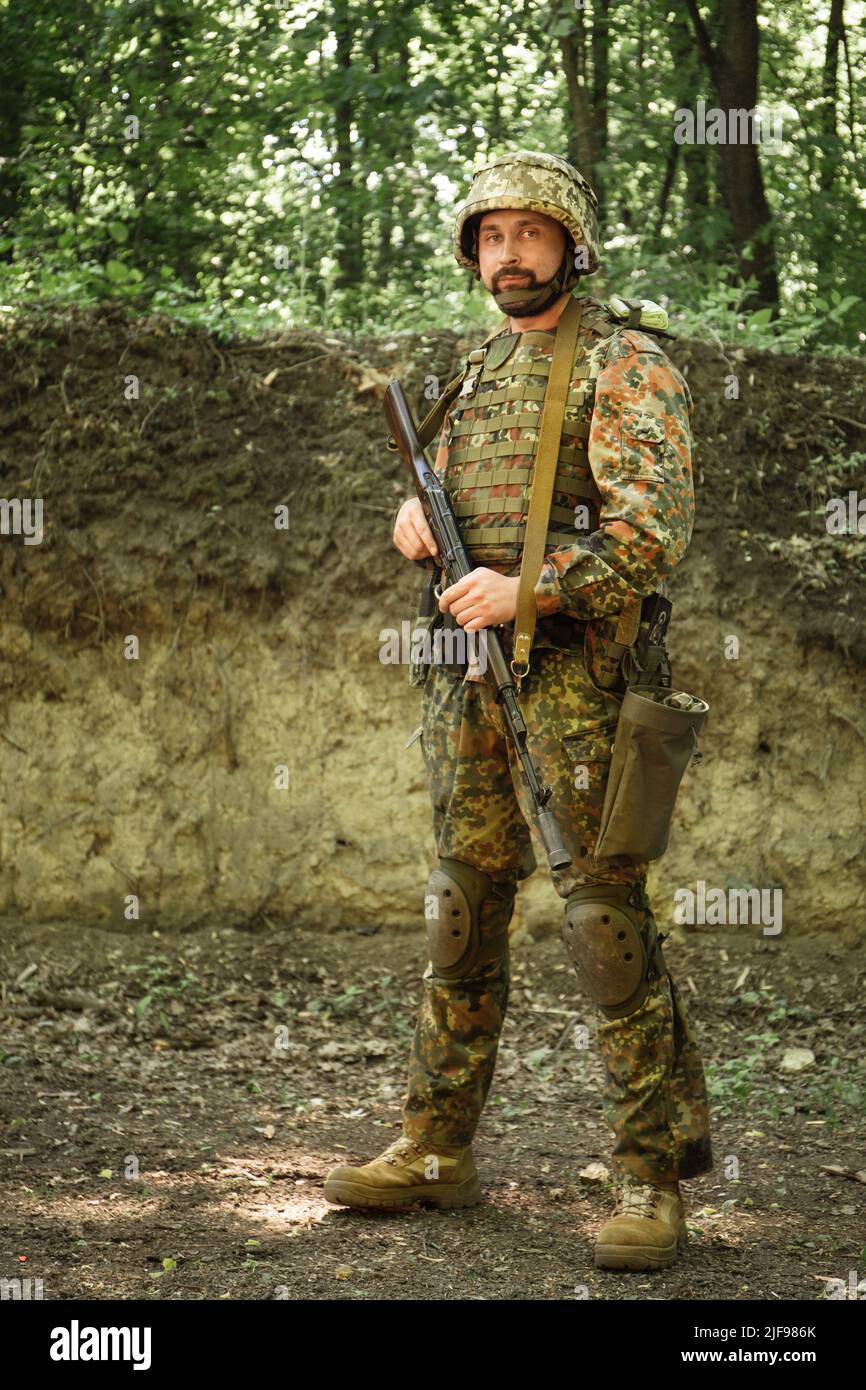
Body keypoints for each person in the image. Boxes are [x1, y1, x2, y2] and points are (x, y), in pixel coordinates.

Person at [324, 150, 713, 1272]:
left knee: (604, 924)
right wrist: (414, 512)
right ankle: (436, 1148)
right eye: (490, 238)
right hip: (469, 679)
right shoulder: (476, 373)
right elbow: (452, 497)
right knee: (461, 904)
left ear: (570, 245)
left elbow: (647, 538)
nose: (509, 255)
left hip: (581, 688)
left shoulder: (622, 365)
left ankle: (647, 1177)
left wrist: (529, 585)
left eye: (529, 235)